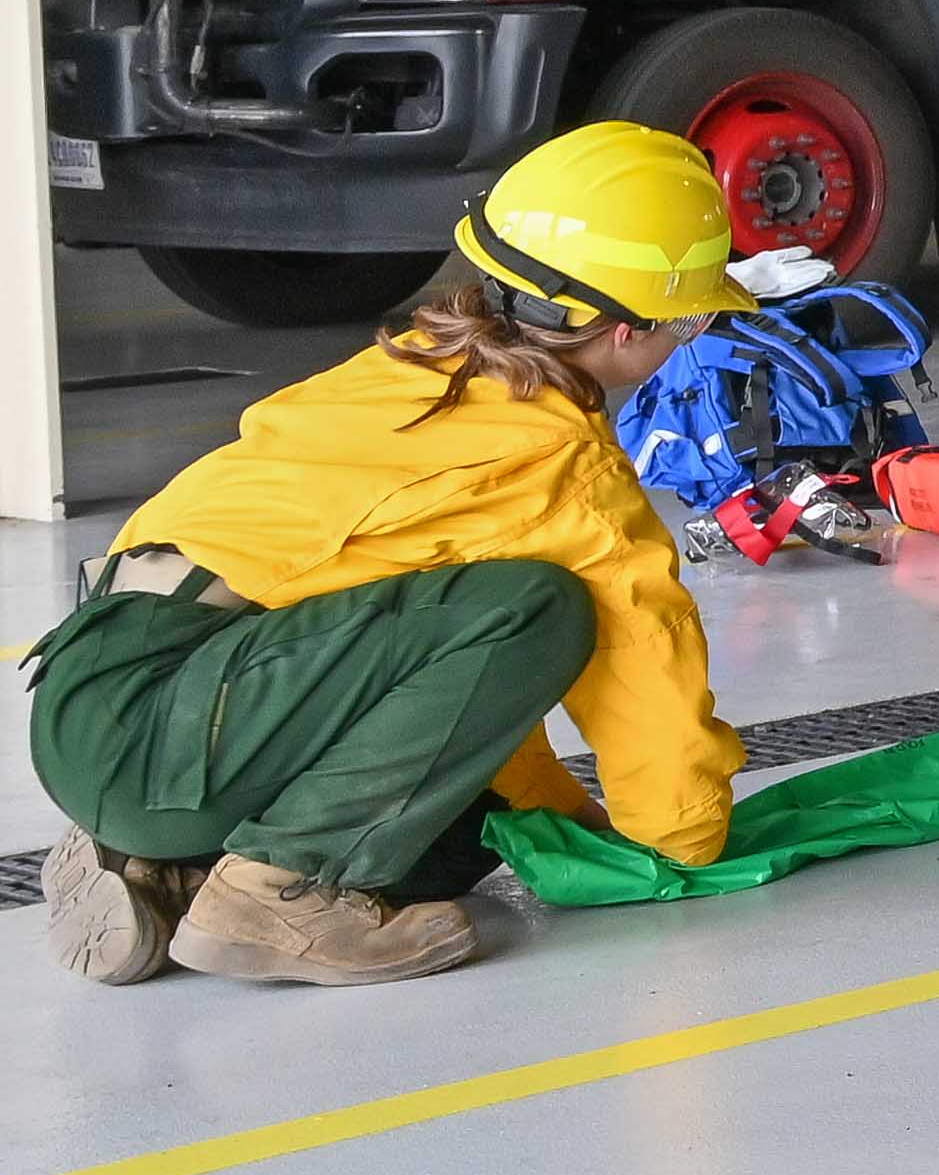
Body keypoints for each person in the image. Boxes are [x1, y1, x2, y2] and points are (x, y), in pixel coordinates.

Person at [32, 126, 794, 987]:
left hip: (98, 690)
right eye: (689, 317)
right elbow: (639, 661)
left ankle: (158, 869)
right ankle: (274, 887)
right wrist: (678, 841)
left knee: (473, 826)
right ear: (624, 332)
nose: (691, 335)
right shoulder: (562, 471)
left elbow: (437, 681)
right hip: (168, 727)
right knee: (539, 609)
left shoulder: (411, 371)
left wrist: (553, 814)